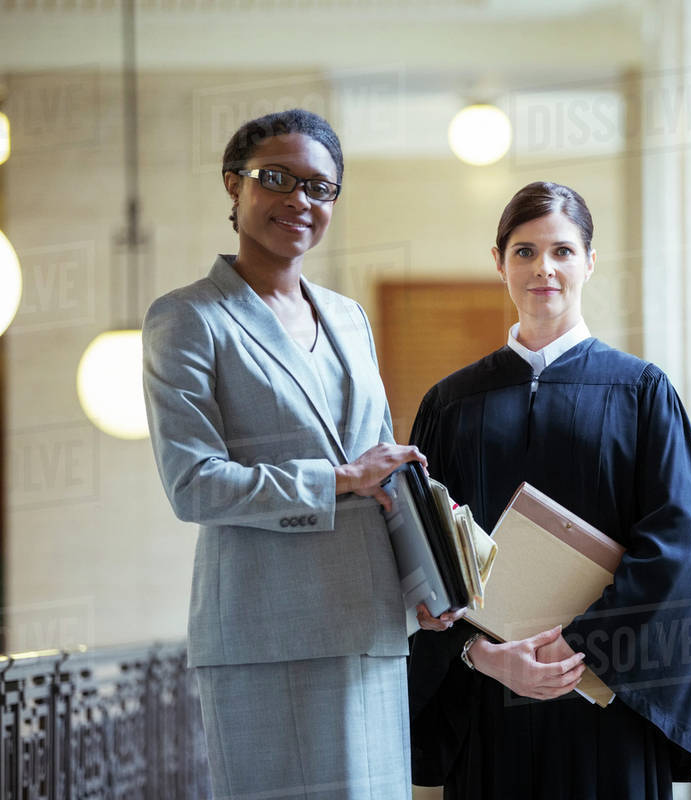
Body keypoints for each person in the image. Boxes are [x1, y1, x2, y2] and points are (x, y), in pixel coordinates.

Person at [143, 109, 444, 799]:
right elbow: (194, 483)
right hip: (265, 633)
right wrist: (339, 478)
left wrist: (426, 585)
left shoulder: (348, 318)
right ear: (234, 185)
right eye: (276, 179)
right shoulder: (188, 318)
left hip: (372, 628)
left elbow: (384, 476)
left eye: (319, 187)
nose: (299, 200)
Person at [407, 181, 691, 800]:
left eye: (563, 251)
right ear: (499, 263)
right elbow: (422, 553)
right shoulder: (451, 404)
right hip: (489, 702)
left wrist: (579, 645)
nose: (543, 268)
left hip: (606, 702)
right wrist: (480, 654)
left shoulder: (642, 393)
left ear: (590, 262)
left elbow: (673, 546)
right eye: (524, 251)